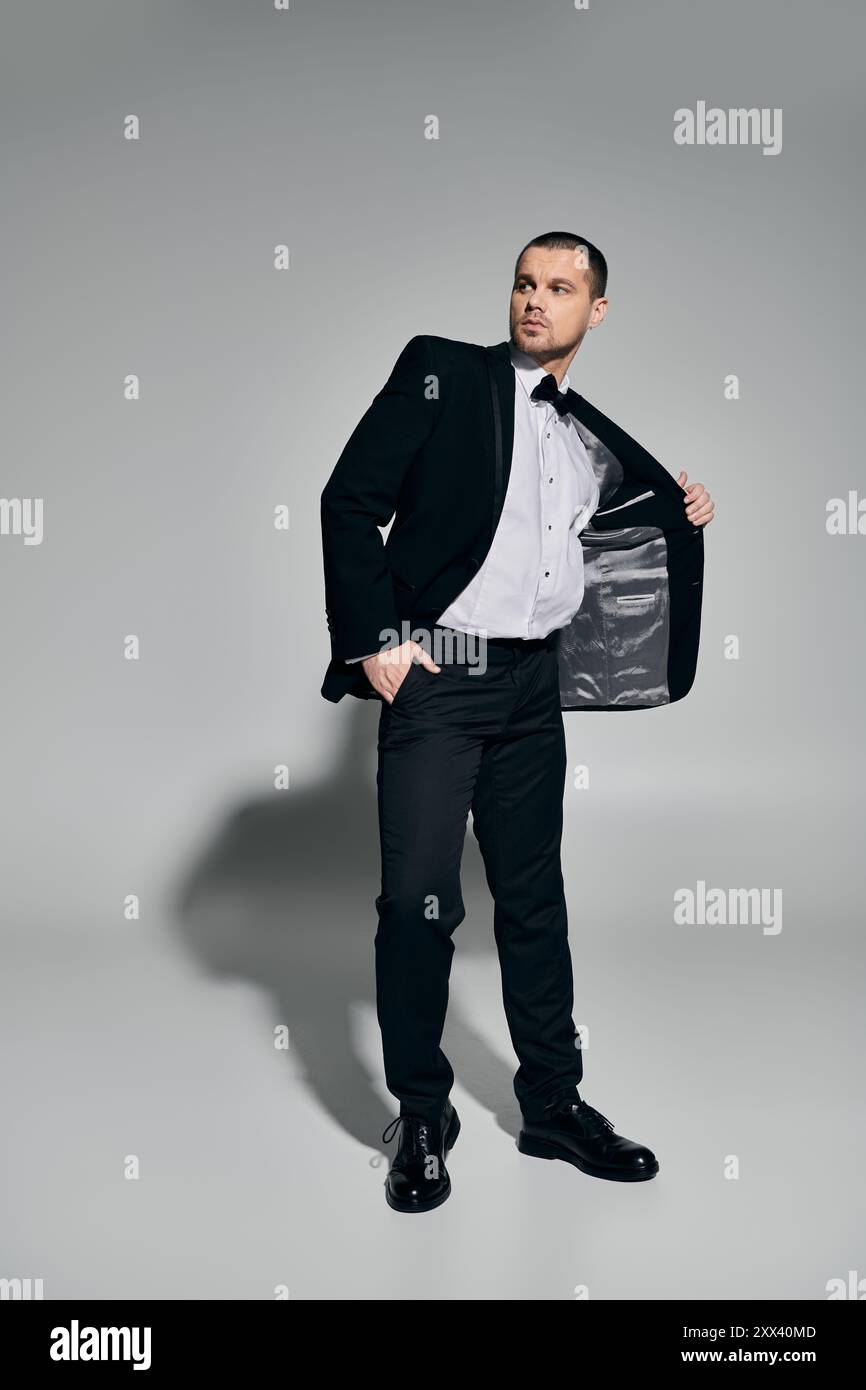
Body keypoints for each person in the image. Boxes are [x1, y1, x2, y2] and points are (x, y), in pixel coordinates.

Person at [320, 231, 715, 1212]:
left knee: (533, 901)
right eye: (524, 282)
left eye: (560, 287)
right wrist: (377, 638)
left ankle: (551, 1102)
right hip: (438, 679)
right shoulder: (440, 374)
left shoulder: (582, 433)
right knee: (417, 904)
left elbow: (591, 539)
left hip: (530, 693)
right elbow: (348, 499)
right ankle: (419, 1111)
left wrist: (678, 511)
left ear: (596, 311)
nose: (534, 301)